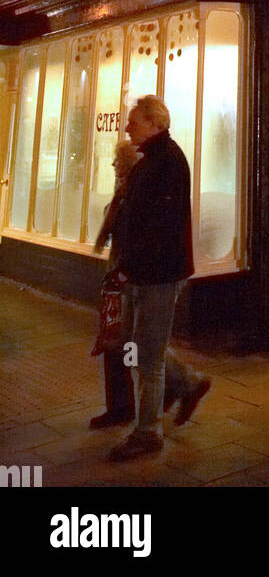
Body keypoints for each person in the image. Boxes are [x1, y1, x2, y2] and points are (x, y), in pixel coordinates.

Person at [107, 96, 211, 461]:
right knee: (137, 347)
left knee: (146, 355)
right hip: (143, 271)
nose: (127, 128)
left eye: (133, 122)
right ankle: (188, 381)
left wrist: (129, 263)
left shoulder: (165, 162)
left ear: (154, 123)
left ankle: (148, 431)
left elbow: (158, 226)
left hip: (158, 275)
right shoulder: (152, 160)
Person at [90, 139, 139, 429]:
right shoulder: (125, 189)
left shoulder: (131, 191)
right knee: (126, 342)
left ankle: (121, 408)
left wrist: (121, 272)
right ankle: (185, 382)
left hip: (124, 276)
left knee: (117, 341)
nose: (112, 165)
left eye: (117, 161)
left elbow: (128, 230)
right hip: (121, 273)